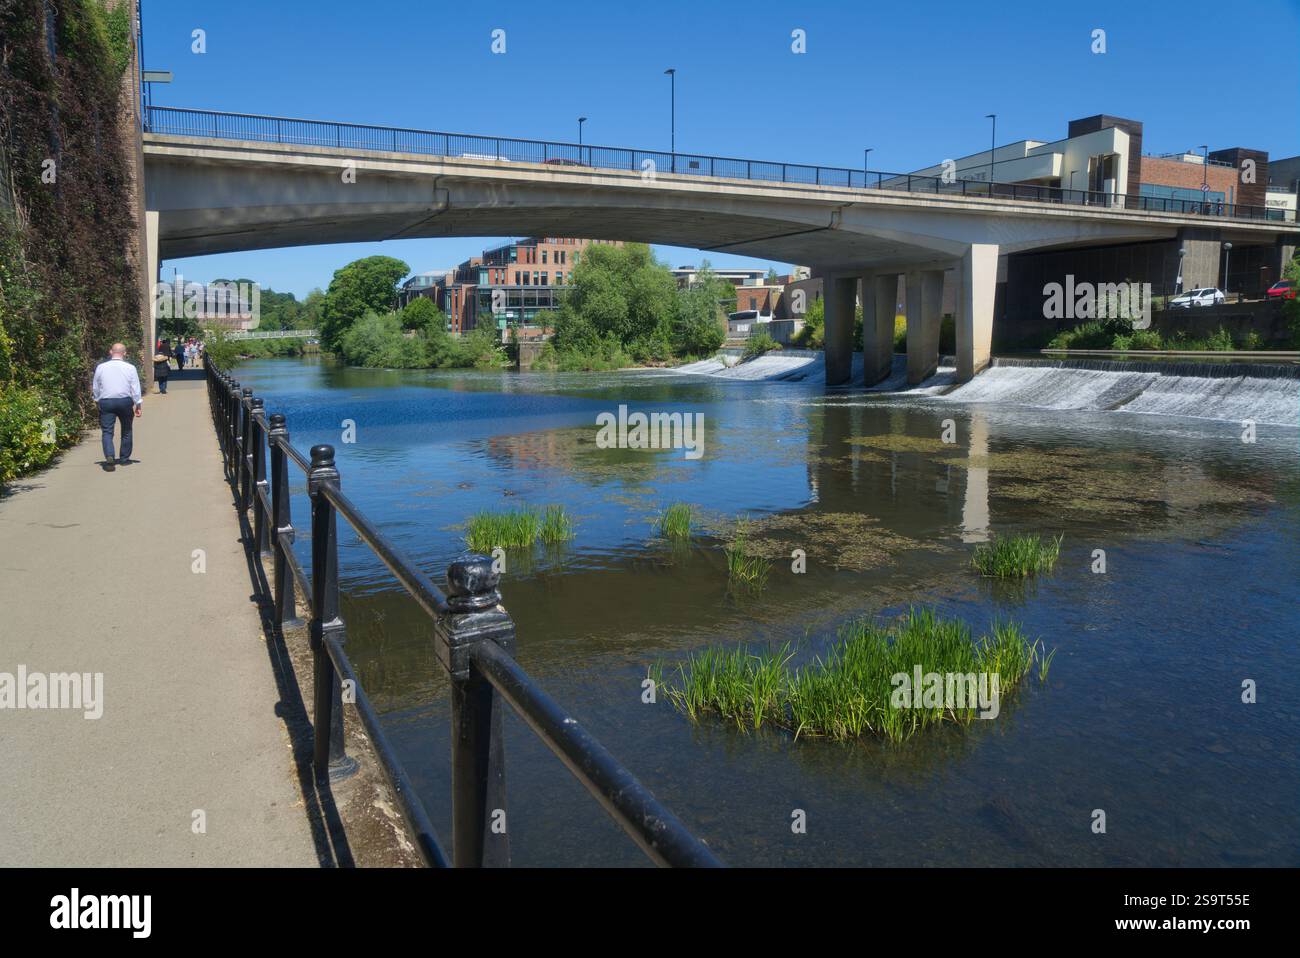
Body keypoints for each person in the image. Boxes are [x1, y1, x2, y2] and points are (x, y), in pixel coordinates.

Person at [92, 343, 142, 472]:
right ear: (124, 353)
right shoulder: (130, 368)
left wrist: (97, 400)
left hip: (106, 401)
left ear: (110, 352)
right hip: (125, 401)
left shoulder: (101, 367)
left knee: (107, 431)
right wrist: (138, 404)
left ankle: (110, 456)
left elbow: (96, 386)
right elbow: (135, 387)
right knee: (126, 430)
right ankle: (124, 459)